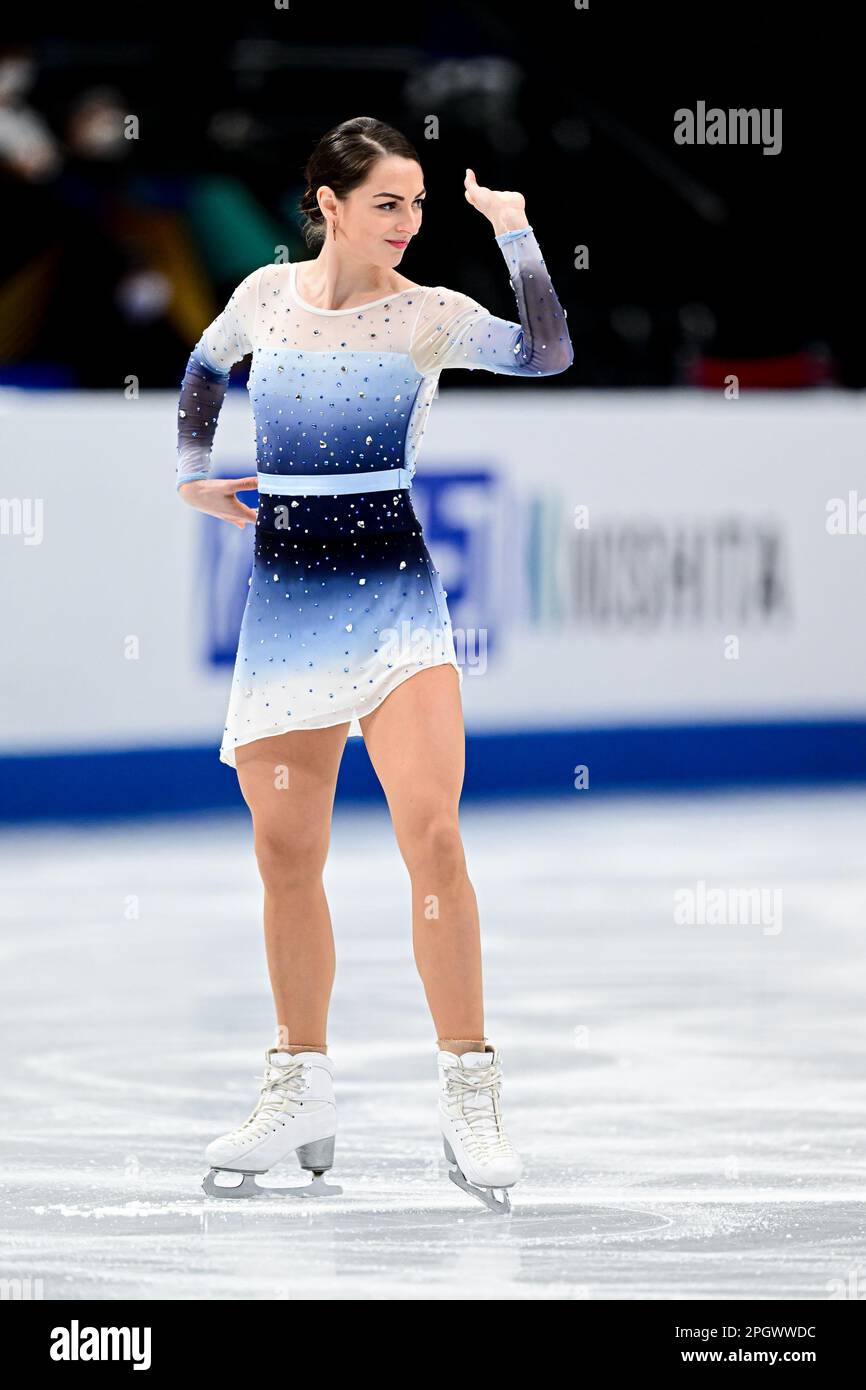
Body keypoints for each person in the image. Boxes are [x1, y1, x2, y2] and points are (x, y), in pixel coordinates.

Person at [178, 116, 573, 1211]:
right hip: (287, 611)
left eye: (417, 203)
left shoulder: (429, 314)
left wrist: (516, 235)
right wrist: (192, 473)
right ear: (329, 205)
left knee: (433, 835)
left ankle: (469, 1088)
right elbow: (204, 367)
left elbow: (545, 352)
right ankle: (299, 1085)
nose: (407, 221)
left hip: (397, 604)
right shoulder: (266, 297)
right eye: (386, 203)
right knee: (284, 853)